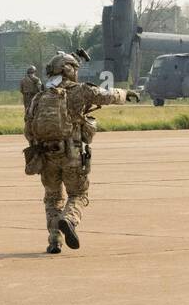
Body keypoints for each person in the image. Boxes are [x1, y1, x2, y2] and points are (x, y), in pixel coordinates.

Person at [25, 52, 140, 253]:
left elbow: (28, 129)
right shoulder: (79, 91)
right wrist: (125, 93)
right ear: (69, 70)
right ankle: (69, 220)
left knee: (52, 198)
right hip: (72, 154)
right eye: (75, 68)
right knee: (78, 193)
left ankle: (54, 240)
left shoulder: (39, 97)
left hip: (46, 157)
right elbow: (105, 95)